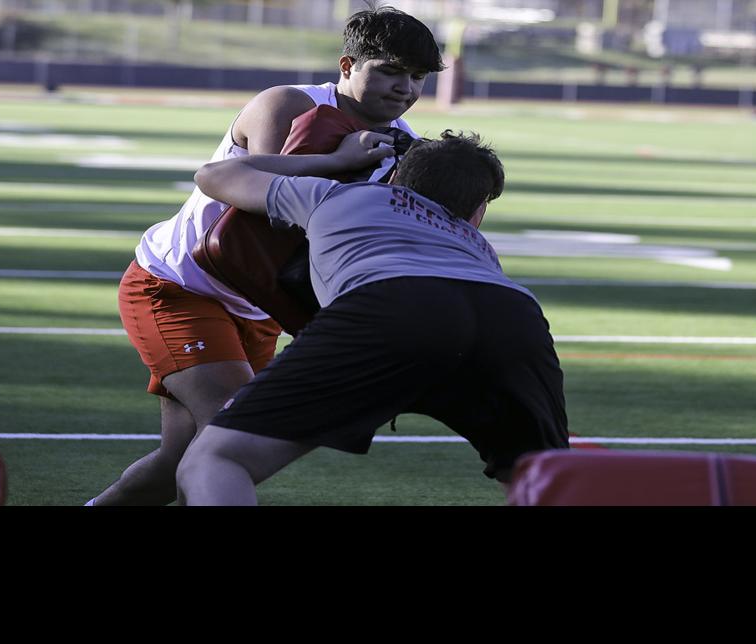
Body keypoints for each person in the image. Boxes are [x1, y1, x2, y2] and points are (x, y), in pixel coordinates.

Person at [89, 5, 444, 505]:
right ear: (347, 66)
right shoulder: (287, 105)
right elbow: (272, 211)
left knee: (179, 464)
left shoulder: (405, 145)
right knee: (232, 436)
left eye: (417, 77)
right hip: (181, 285)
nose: (404, 88)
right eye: (389, 70)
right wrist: (340, 161)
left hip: (258, 305)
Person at [173, 129, 570, 505]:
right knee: (545, 478)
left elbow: (215, 175)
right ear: (477, 210)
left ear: (395, 177)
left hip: (389, 302)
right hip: (512, 313)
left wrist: (333, 160)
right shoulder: (478, 244)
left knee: (217, 458)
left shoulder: (339, 196)